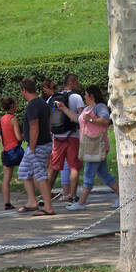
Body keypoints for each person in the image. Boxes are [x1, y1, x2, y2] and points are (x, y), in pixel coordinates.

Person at [16, 78, 56, 214]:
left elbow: (34, 127)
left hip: (37, 145)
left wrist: (32, 147)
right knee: (23, 171)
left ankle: (48, 207)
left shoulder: (33, 105)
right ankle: (32, 202)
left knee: (40, 175)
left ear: (24, 90)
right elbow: (49, 122)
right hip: (42, 143)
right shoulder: (42, 103)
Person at [76, 86, 119, 208]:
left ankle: (81, 203)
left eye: (85, 94)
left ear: (91, 95)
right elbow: (77, 119)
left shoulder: (100, 107)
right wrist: (64, 109)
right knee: (103, 174)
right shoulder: (87, 109)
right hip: (91, 145)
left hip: (96, 145)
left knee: (89, 173)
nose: (84, 96)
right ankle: (122, 196)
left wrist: (90, 119)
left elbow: (106, 121)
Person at [46, 72, 85, 207]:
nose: (78, 84)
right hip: (72, 136)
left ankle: (46, 195)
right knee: (74, 166)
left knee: (53, 166)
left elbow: (47, 117)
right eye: (77, 82)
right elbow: (82, 116)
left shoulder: (53, 97)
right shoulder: (76, 97)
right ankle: (72, 196)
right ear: (72, 82)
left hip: (57, 137)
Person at [0, 97, 23, 210]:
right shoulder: (13, 119)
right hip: (16, 150)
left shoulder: (1, 120)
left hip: (6, 151)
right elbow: (18, 137)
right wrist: (24, 137)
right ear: (12, 106)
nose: (16, 106)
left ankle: (7, 203)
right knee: (30, 170)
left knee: (7, 178)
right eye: (15, 104)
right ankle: (38, 197)